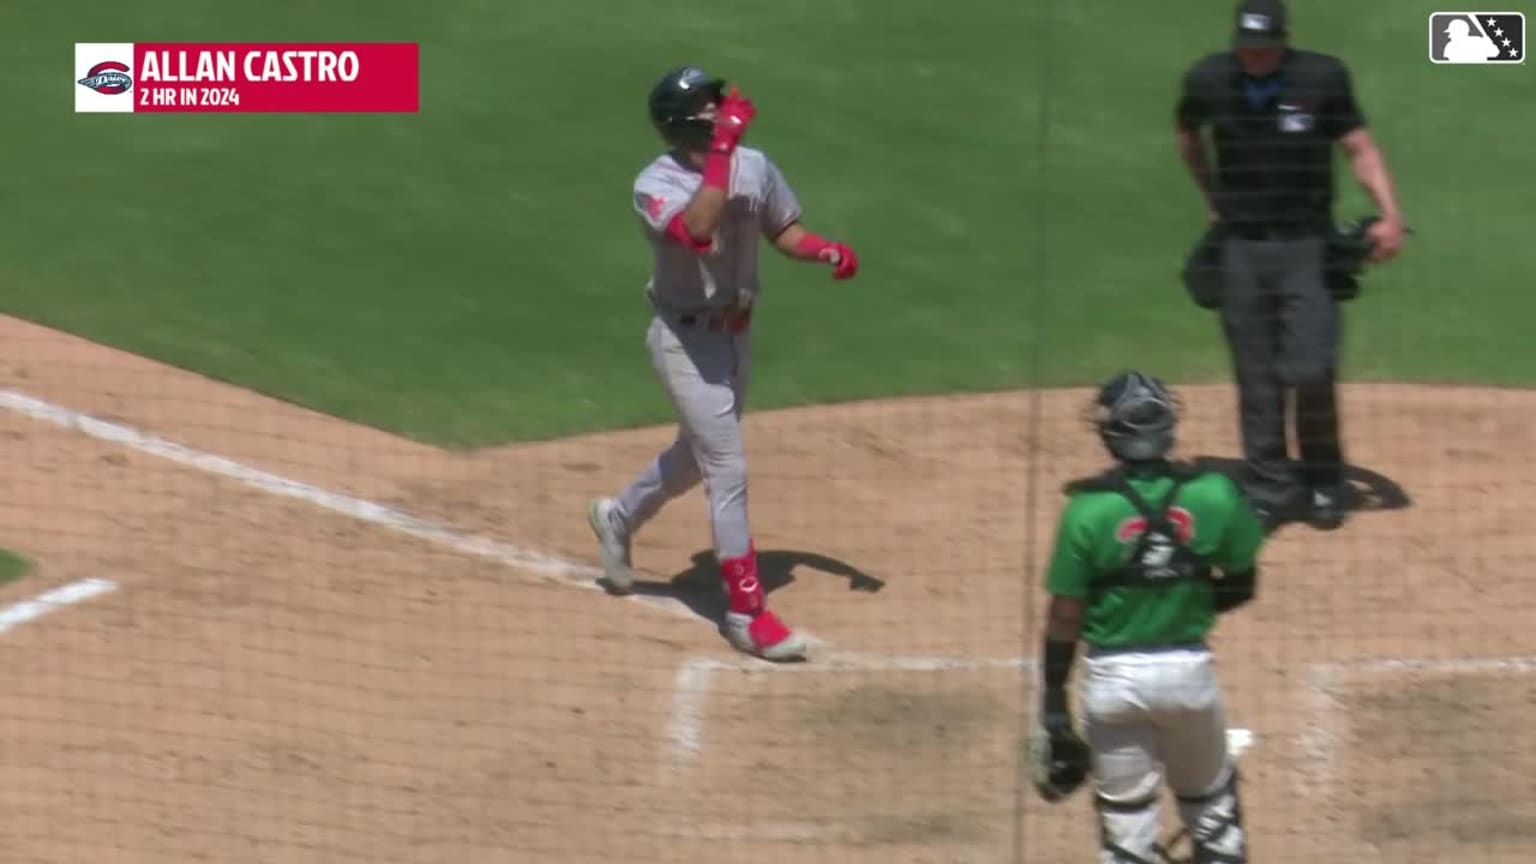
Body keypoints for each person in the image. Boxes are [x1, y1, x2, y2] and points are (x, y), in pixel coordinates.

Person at [586, 66, 860, 662]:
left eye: (720, 103)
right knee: (727, 467)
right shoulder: (654, 183)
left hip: (734, 341)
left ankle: (618, 517)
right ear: (682, 119)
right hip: (683, 344)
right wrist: (726, 149)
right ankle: (746, 613)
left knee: (695, 458)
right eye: (709, 105)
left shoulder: (754, 166)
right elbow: (698, 226)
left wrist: (824, 250)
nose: (721, 109)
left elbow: (783, 228)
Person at [1173, 0, 1406, 530]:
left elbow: (1359, 148)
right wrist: (1209, 194)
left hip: (1306, 246)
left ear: (1285, 39)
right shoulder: (1210, 79)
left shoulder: (1321, 77)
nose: (1256, 56)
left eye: (1266, 46)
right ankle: (1269, 486)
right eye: (1248, 47)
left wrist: (1391, 215)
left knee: (1312, 368)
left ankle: (1324, 479)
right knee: (1256, 376)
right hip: (1241, 246)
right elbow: (1187, 133)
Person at [1029, 371, 1265, 864]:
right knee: (1212, 810)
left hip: (1112, 685)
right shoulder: (1216, 493)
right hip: (1189, 677)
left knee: (1128, 828)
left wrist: (1054, 705)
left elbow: (1065, 615)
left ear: (1111, 433)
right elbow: (1243, 585)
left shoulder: (1086, 511)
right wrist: (1188, 601)